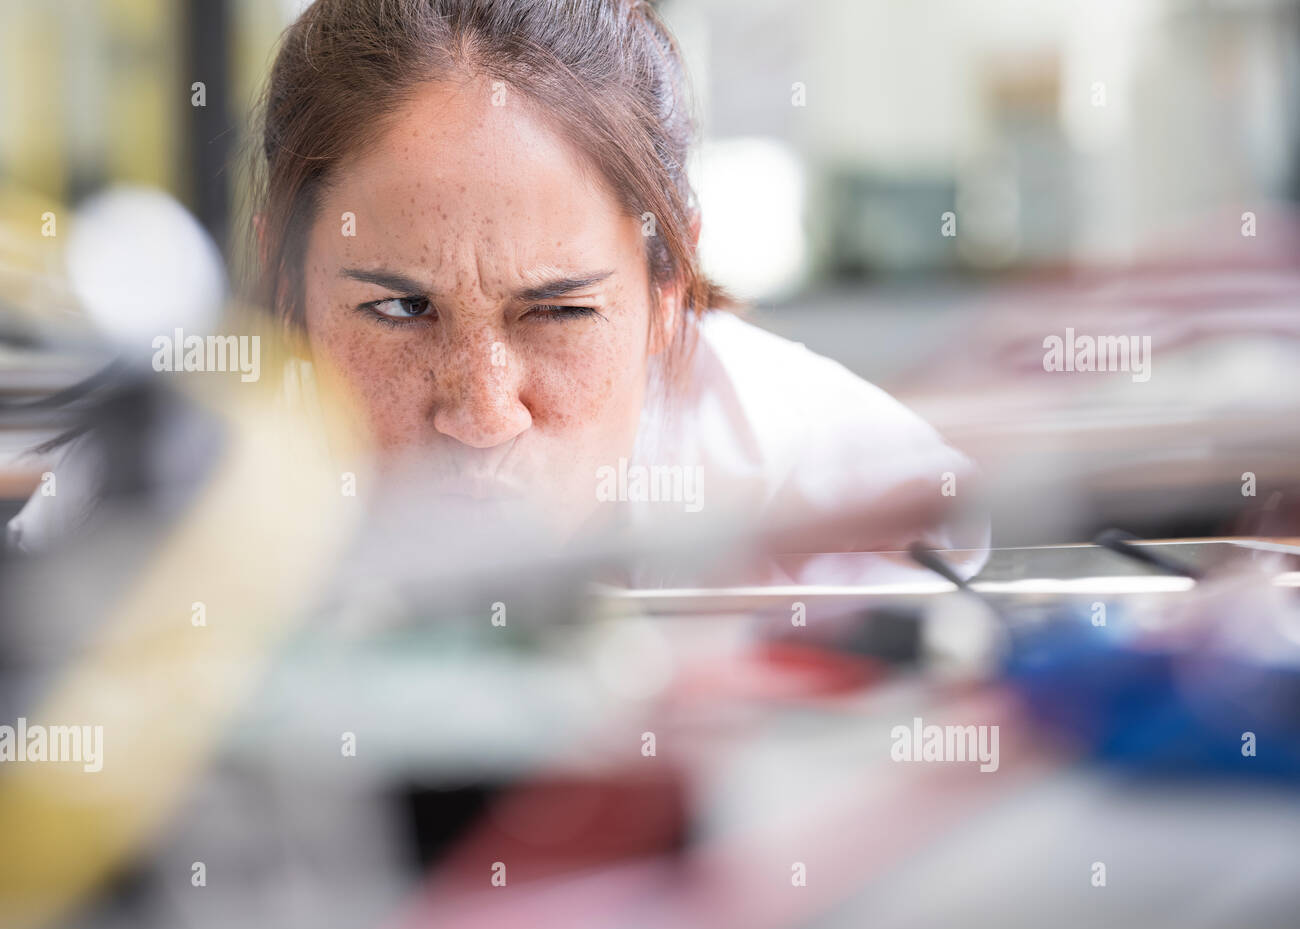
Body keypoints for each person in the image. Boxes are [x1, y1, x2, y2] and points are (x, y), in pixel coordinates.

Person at [10, 0, 985, 579]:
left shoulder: (840, 490)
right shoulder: (154, 498)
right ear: (282, 277)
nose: (480, 413)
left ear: (668, 283)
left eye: (558, 311)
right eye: (398, 308)